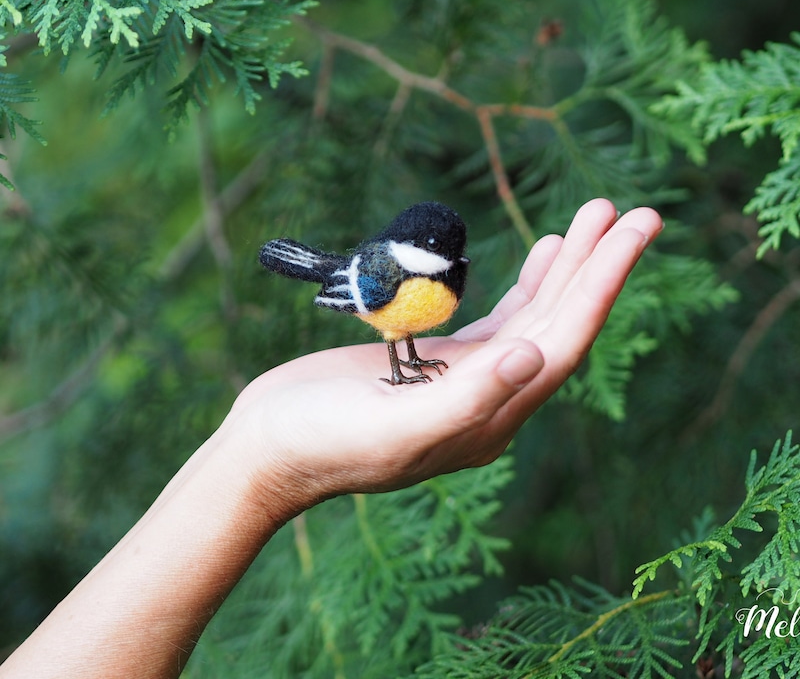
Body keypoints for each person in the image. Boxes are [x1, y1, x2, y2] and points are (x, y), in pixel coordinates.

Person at [0, 198, 663, 679]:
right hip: (373, 310)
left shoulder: (439, 271)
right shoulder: (388, 272)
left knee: (412, 343)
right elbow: (362, 299)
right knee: (402, 337)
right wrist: (264, 456)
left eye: (453, 254)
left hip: (391, 335)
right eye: (442, 254)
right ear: (416, 253)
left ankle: (409, 365)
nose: (453, 262)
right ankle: (405, 365)